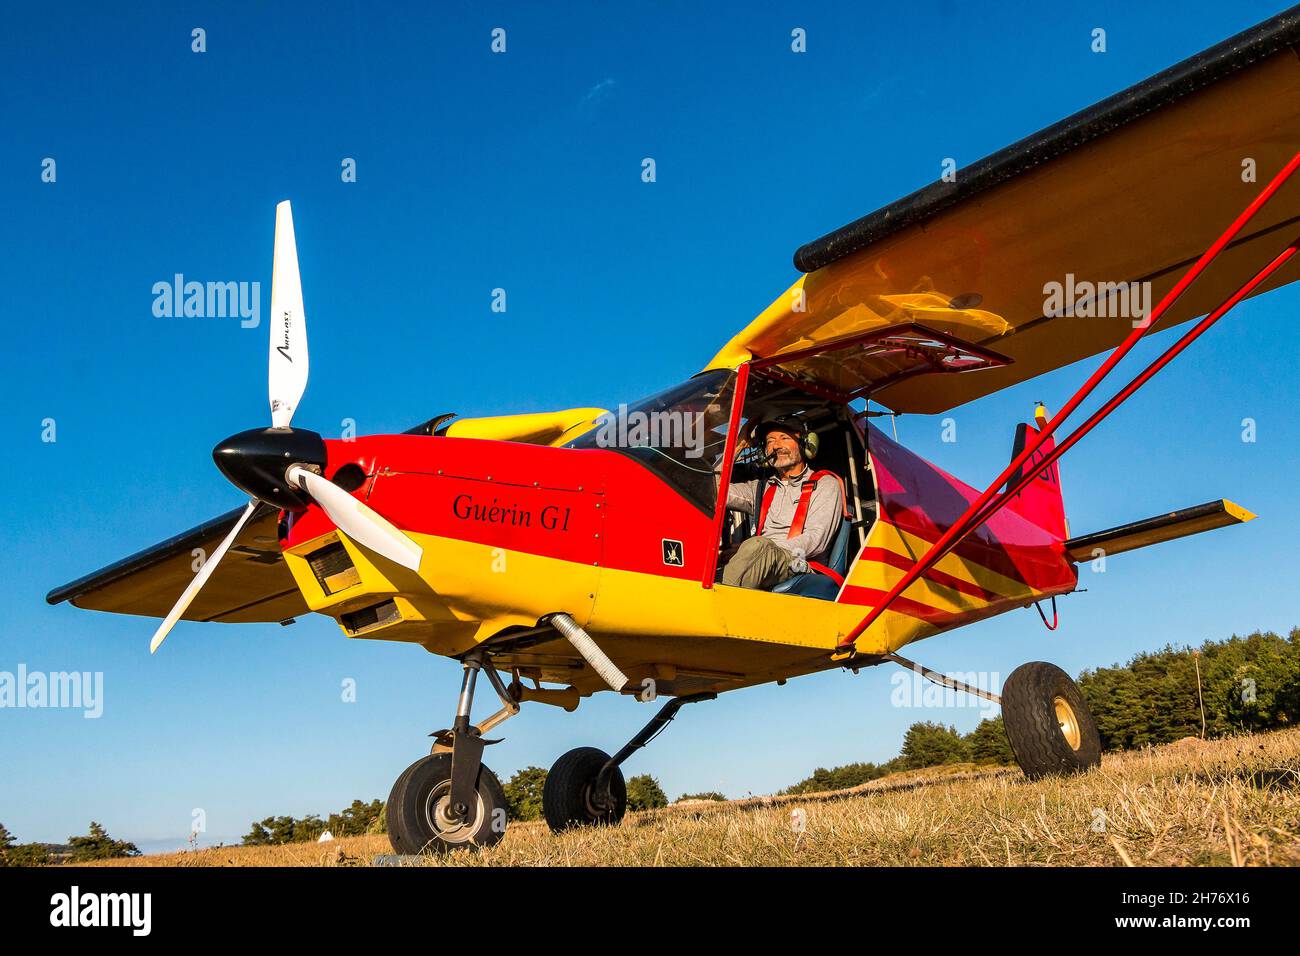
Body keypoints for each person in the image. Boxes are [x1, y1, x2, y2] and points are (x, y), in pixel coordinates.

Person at [722, 415, 845, 590]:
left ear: (805, 444)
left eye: (784, 438)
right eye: (770, 440)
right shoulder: (761, 488)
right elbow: (715, 493)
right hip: (759, 557)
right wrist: (738, 446)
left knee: (756, 545)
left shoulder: (825, 484)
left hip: (799, 562)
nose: (777, 445)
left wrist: (755, 550)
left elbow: (816, 540)